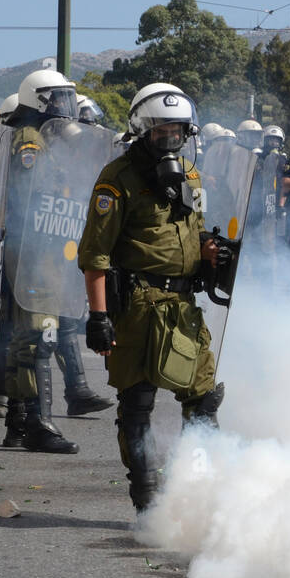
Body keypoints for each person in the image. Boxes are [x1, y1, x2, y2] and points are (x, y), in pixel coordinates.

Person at [77, 82, 223, 512]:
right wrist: (98, 316)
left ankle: (201, 494)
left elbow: (194, 231)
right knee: (137, 403)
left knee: (203, 398)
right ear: (143, 130)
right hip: (138, 306)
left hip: (183, 306)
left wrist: (211, 253)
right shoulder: (117, 179)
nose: (169, 139)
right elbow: (95, 255)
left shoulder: (191, 177)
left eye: (177, 131)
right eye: (161, 131)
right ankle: (148, 500)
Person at [0, 69, 82, 454]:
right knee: (38, 337)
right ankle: (39, 424)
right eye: (57, 99)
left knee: (25, 340)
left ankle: (17, 423)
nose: (65, 107)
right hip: (34, 248)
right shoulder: (30, 141)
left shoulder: (39, 138)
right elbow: (31, 192)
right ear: (38, 101)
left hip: (38, 248)